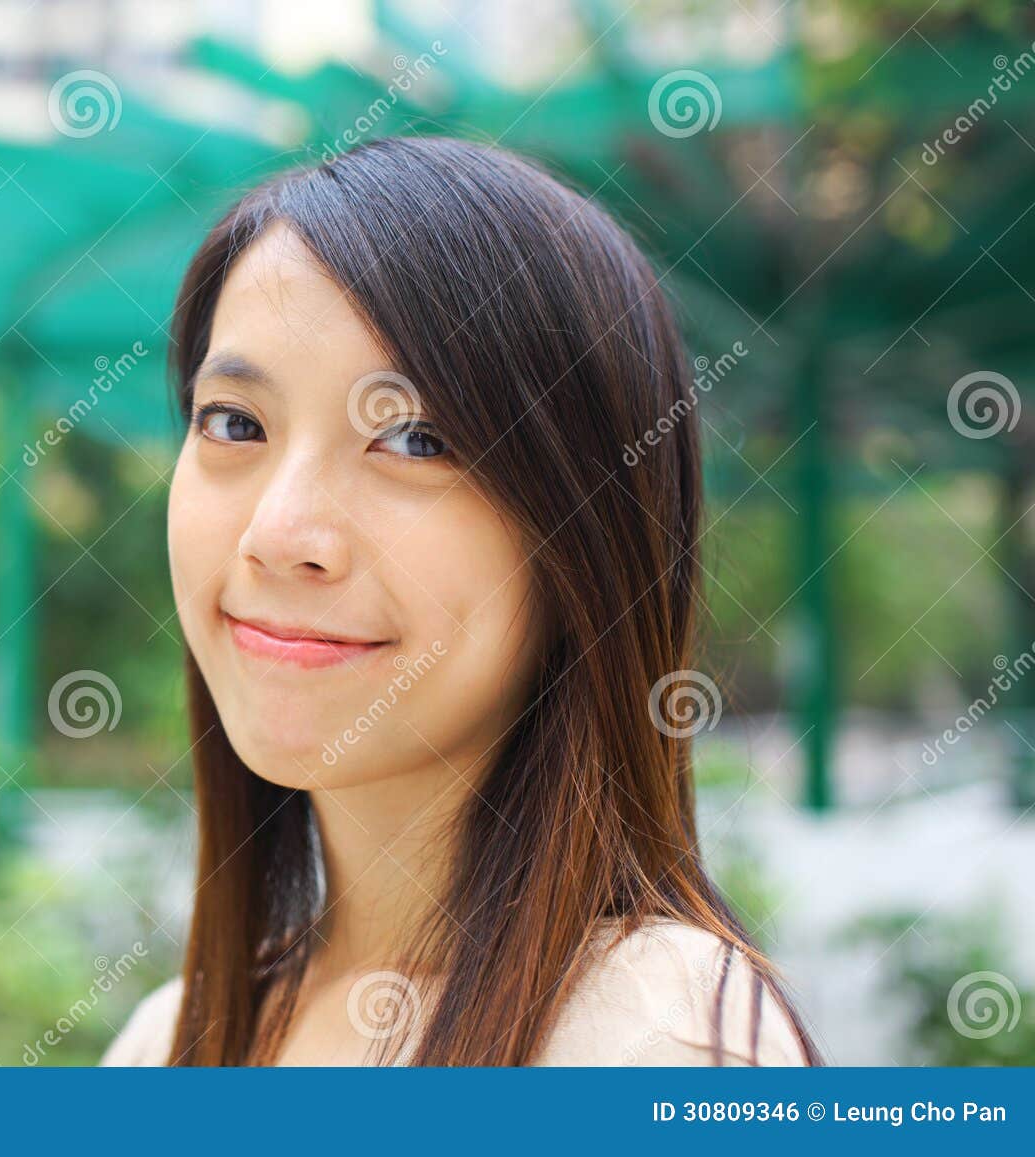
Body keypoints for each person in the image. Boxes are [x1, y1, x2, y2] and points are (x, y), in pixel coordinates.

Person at [103, 135, 820, 1067]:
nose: (278, 534)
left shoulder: (660, 1034)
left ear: (587, 537)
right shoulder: (169, 1041)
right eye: (236, 423)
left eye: (415, 439)